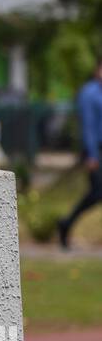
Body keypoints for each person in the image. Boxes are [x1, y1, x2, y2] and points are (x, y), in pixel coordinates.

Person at [57, 57, 102, 249]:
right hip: (96, 149)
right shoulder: (89, 93)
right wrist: (92, 155)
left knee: (97, 193)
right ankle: (66, 222)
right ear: (97, 70)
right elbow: (88, 126)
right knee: (97, 193)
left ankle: (66, 223)